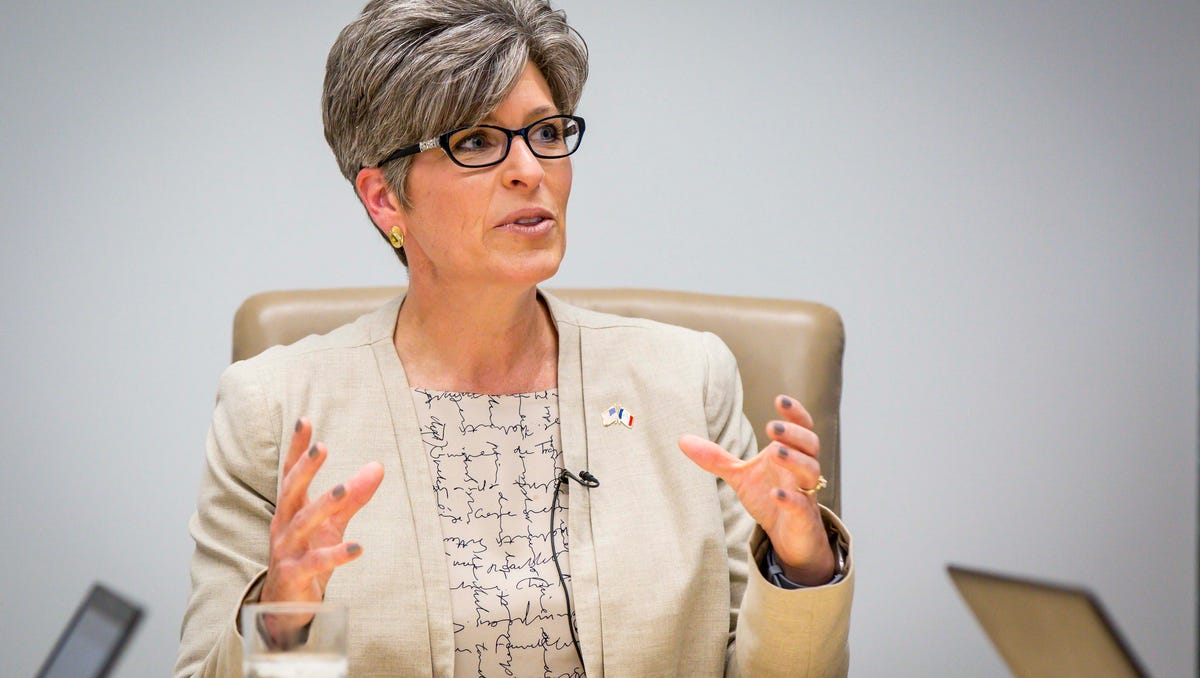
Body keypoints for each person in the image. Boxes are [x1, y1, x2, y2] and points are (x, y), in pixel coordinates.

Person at [174, 1, 853, 676]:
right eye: (475, 142)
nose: (530, 169)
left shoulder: (686, 378)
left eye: (547, 133)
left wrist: (800, 563)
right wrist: (286, 620)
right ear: (384, 198)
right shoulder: (273, 409)